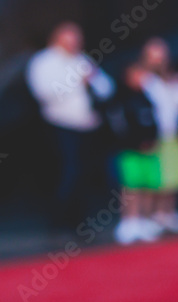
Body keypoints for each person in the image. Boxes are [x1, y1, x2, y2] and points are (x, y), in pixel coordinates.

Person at [26, 22, 115, 229]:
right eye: (70, 38)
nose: (75, 42)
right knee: (68, 173)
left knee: (86, 174)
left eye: (77, 38)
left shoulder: (82, 59)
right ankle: (59, 223)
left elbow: (106, 88)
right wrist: (76, 80)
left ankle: (80, 222)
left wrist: (91, 79)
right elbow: (45, 93)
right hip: (61, 126)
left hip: (88, 126)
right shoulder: (43, 61)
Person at [140, 38, 178, 232]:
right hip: (152, 135)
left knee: (172, 177)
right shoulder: (143, 78)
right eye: (154, 56)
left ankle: (166, 213)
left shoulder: (172, 79)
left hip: (172, 134)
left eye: (162, 56)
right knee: (153, 179)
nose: (159, 60)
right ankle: (148, 217)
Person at [107, 64, 162, 244]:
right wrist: (134, 143)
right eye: (136, 75)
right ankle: (129, 222)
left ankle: (144, 221)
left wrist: (152, 141)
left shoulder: (147, 97)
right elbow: (118, 126)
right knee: (131, 187)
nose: (140, 79)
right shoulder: (120, 99)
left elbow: (154, 120)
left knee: (149, 186)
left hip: (150, 150)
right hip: (130, 151)